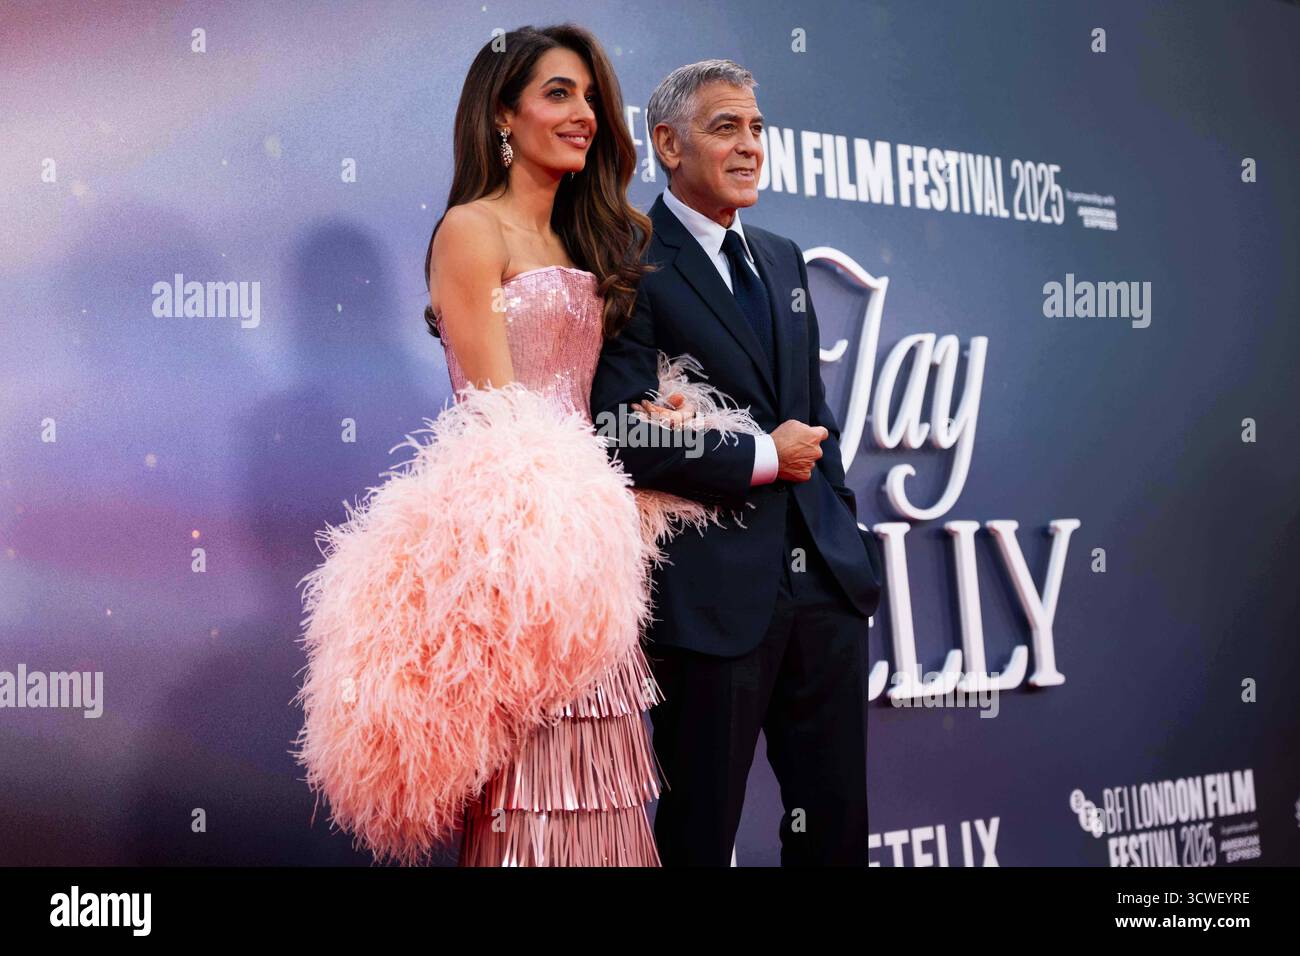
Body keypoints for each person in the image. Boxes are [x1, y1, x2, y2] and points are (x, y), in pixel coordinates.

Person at [590, 59, 885, 866]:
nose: (750, 145)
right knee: (698, 838)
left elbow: (814, 417)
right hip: (712, 605)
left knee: (835, 833)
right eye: (726, 127)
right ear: (667, 144)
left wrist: (844, 541)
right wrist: (762, 456)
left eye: (757, 127)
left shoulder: (785, 258)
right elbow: (617, 430)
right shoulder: (629, 260)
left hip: (822, 589)